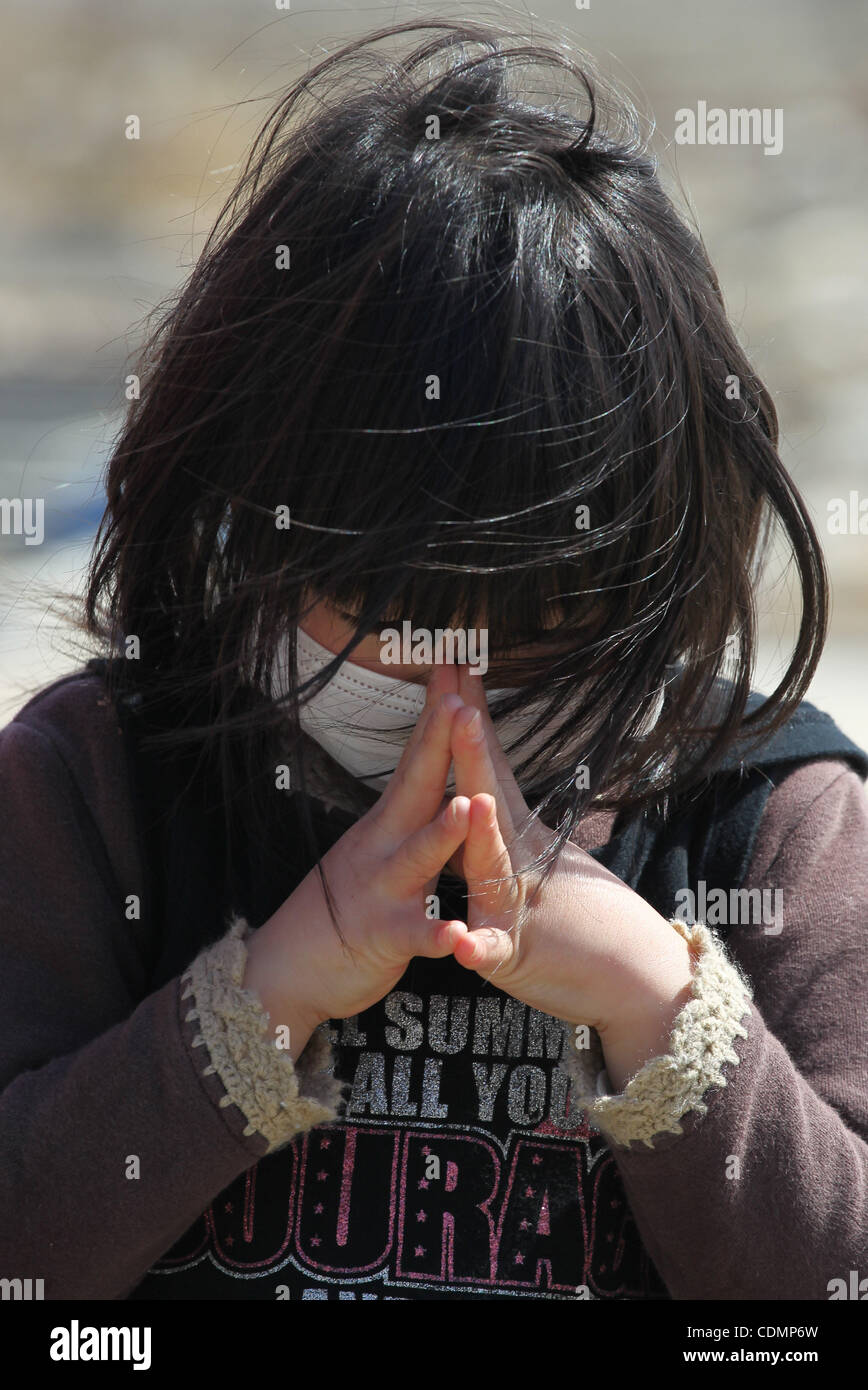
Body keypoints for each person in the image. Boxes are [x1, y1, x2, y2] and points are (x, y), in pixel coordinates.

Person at [1, 17, 867, 1302]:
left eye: (545, 621)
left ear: (658, 579)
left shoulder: (773, 824)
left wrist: (658, 1012)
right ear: (247, 520)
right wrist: (259, 998)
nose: (452, 702)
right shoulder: (95, 787)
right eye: (388, 616)